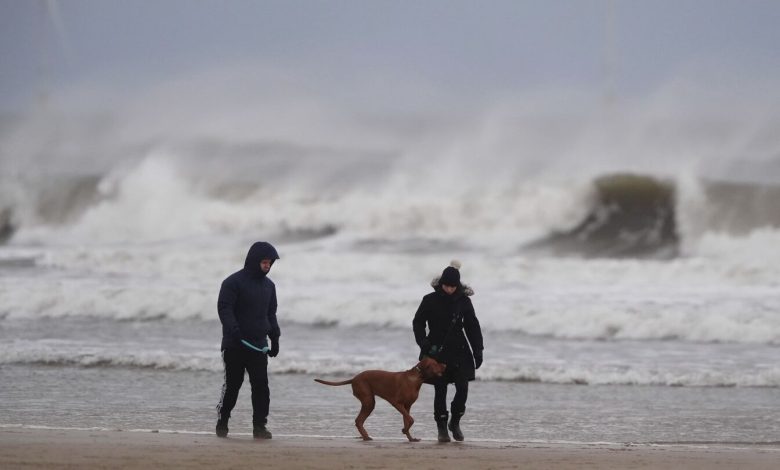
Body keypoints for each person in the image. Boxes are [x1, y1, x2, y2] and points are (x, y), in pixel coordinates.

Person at [413, 260, 484, 442]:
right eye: (446, 285)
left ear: (457, 286)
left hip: (460, 352)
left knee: (463, 388)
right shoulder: (429, 300)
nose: (449, 289)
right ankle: (442, 427)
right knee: (440, 390)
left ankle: (455, 421)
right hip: (436, 352)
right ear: (441, 283)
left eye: (453, 287)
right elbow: (418, 323)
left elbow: (472, 327)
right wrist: (423, 343)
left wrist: (478, 350)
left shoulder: (464, 302)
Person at [215, 241, 281, 439]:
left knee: (261, 386)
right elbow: (224, 309)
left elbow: (271, 314)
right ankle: (223, 420)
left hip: (258, 345)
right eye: (264, 262)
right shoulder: (232, 282)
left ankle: (259, 426)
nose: (267, 266)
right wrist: (233, 330)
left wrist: (275, 337)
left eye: (270, 263)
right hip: (235, 344)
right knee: (232, 386)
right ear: (254, 261)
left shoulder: (270, 286)